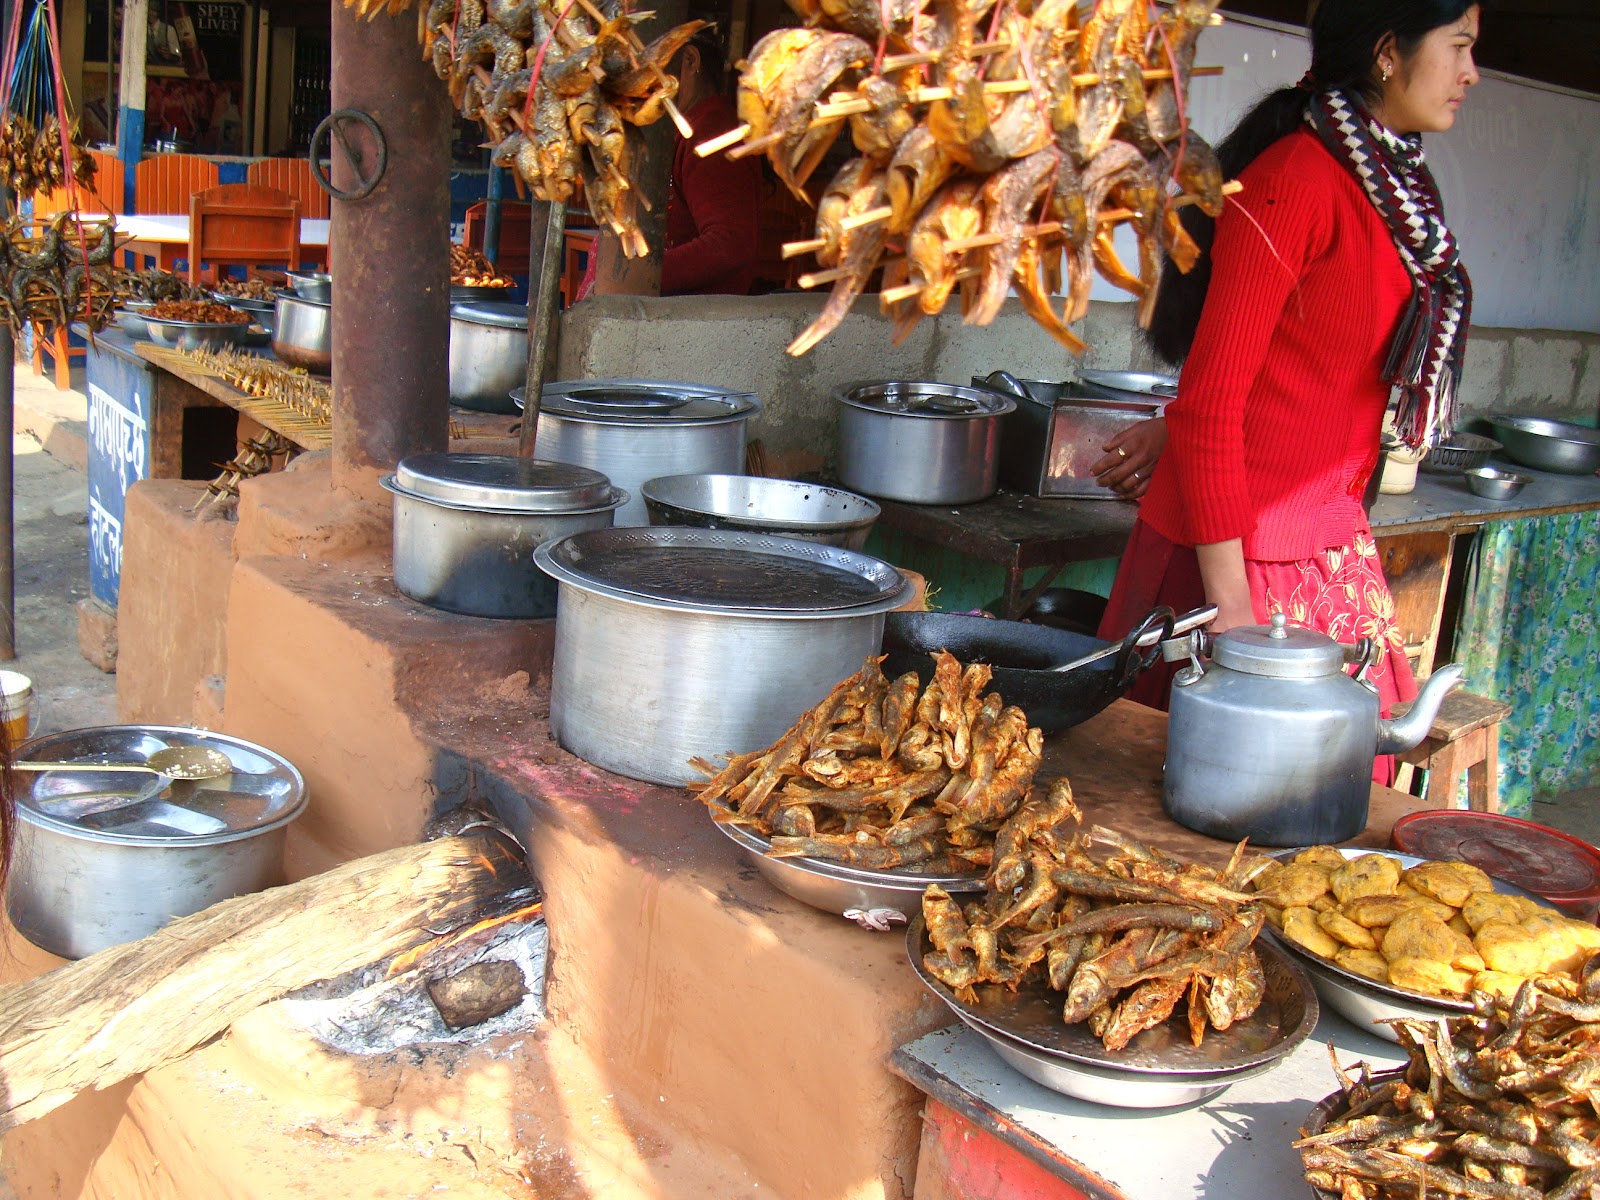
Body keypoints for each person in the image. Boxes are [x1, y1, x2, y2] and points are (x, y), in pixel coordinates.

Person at [1096, 1, 1481, 781]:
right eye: (1461, 47)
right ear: (1386, 53)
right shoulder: (1294, 184)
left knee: (1332, 793)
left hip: (1326, 541)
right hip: (1234, 556)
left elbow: (1298, 363)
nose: (1472, 72)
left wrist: (1177, 430)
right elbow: (1211, 399)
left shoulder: (1395, 196)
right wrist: (1230, 614)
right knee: (1190, 811)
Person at [577, 25, 762, 298]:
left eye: (647, 70)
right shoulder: (684, 128)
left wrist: (632, 281)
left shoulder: (713, 132)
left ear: (689, 60)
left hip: (676, 324)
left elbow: (729, 243)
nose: (640, 86)